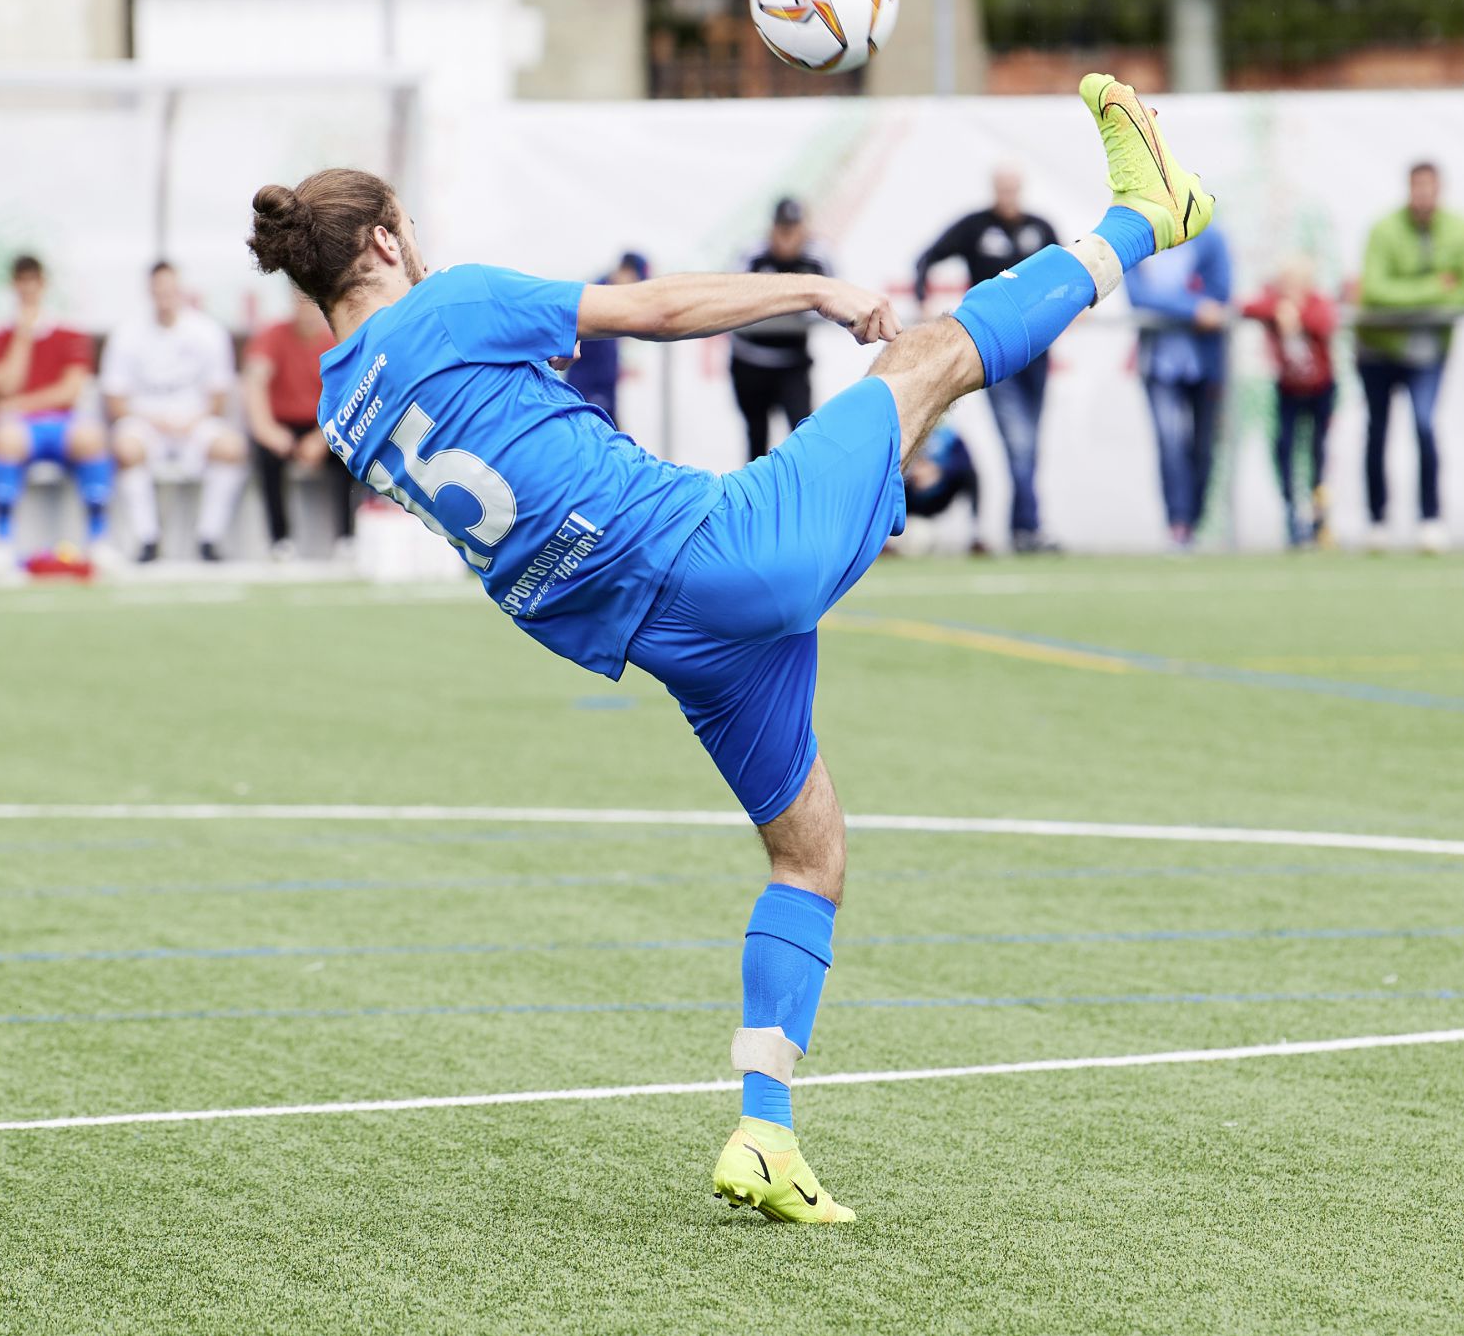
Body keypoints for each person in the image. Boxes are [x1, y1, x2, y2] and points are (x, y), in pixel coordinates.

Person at [247, 73, 1210, 1225]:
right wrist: (812, 285)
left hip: (668, 639)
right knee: (926, 358)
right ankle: (1146, 216)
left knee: (808, 854)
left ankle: (767, 1132)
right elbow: (651, 310)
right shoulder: (446, 305)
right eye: (408, 225)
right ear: (385, 240)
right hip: (720, 554)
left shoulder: (343, 408)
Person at [913, 169, 1062, 551]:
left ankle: (1023, 526)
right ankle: (1028, 528)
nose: (1008, 195)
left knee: (1030, 442)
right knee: (1019, 441)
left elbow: (1066, 271)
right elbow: (926, 258)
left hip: (1038, 350)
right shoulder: (975, 227)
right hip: (997, 349)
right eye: (1002, 188)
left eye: (1013, 188)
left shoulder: (1040, 228)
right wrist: (923, 301)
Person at [1355, 160, 1464, 553]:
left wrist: (1411, 295)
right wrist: (1435, 288)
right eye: (1417, 187)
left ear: (1439, 190)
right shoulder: (1384, 229)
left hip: (1428, 351)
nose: (1423, 195)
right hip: (1378, 348)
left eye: (1430, 187)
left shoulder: (1459, 229)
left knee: (1425, 426)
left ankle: (1430, 519)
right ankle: (1377, 521)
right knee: (1378, 431)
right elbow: (1375, 291)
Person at [0, 255, 116, 567]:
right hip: (20, 427)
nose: (28, 288)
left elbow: (70, 391)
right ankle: (2, 541)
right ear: (13, 286)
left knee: (91, 436)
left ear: (43, 284)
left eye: (33, 281)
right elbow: (5, 385)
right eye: (21, 281)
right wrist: (23, 336)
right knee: (6, 437)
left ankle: (99, 538)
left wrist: (18, 404)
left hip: (61, 423)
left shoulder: (70, 333)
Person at [102, 261, 246, 563]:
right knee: (126, 448)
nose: (165, 296)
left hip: (195, 423)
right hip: (144, 424)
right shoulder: (127, 334)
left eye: (170, 289)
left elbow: (219, 397)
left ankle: (209, 538)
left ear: (180, 290)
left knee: (231, 448)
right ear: (149, 291)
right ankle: (147, 539)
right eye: (159, 290)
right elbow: (115, 400)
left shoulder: (208, 331)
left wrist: (191, 421)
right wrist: (154, 420)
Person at [1126, 219, 1234, 548]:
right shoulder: (1141, 240)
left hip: (1205, 363)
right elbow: (1140, 297)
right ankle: (1178, 523)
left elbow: (1220, 294)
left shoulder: (1211, 238)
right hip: (1158, 364)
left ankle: (1194, 521)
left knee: (1203, 448)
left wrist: (1172, 303)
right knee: (1170, 445)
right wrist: (1192, 308)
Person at [243, 290, 351, 559]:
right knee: (265, 456)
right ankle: (280, 540)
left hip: (322, 427)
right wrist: (267, 430)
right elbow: (255, 382)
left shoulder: (333, 341)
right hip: (282, 426)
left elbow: (344, 398)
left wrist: (321, 439)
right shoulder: (272, 336)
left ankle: (348, 538)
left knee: (349, 454)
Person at [1241, 255, 1338, 547]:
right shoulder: (1275, 304)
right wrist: (1279, 309)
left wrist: (1297, 315)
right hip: (1288, 389)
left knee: (1317, 452)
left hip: (1320, 388)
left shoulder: (1317, 303)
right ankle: (1292, 512)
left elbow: (1325, 322)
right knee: (1284, 447)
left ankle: (1319, 516)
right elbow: (1247, 307)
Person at [731, 199, 827, 460]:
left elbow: (839, 299)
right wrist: (794, 301)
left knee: (803, 439)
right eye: (782, 229)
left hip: (792, 364)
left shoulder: (816, 258)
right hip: (750, 361)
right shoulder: (752, 255)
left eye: (793, 229)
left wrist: (785, 304)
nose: (787, 238)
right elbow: (732, 300)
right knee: (756, 439)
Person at [562, 253, 650, 427]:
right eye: (635, 281)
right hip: (588, 393)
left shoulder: (610, 300)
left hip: (600, 394)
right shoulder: (596, 300)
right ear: (626, 271)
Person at [900, 424, 987, 555]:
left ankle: (977, 534)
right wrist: (912, 474)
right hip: (910, 494)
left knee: (971, 476)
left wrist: (939, 472)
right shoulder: (907, 431)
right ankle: (886, 540)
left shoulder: (949, 435)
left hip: (941, 493)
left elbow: (965, 462)